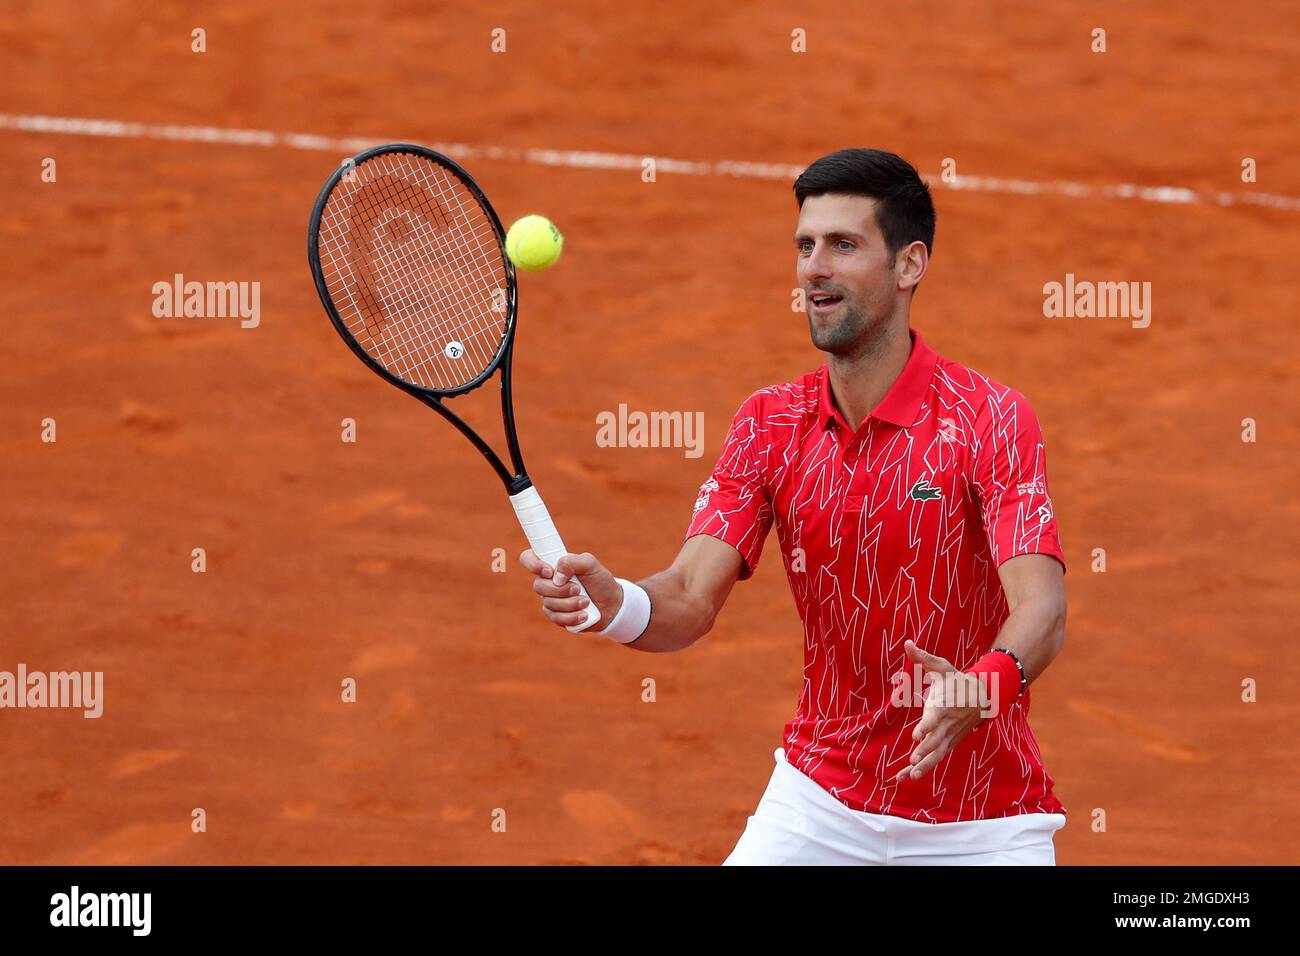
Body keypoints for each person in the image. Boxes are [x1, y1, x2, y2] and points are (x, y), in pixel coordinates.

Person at [520, 148, 1068, 865]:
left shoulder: (990, 418)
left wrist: (983, 684)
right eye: (805, 246)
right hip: (820, 804)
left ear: (909, 266)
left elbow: (1043, 607)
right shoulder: (768, 423)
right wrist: (614, 600)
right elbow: (689, 594)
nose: (814, 267)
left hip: (982, 822)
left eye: (843, 245)